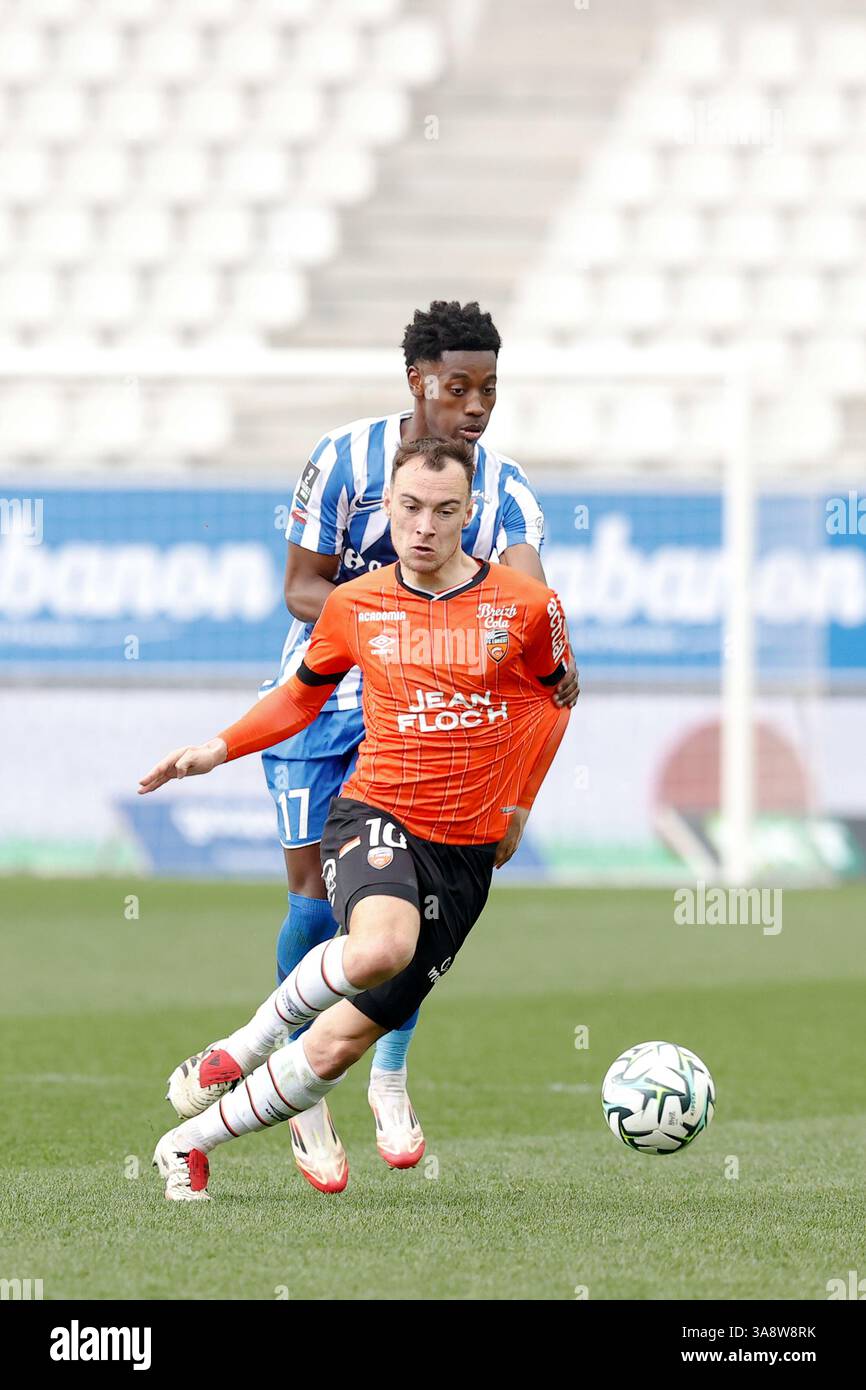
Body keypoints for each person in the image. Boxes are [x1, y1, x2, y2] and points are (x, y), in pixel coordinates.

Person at [141, 438, 573, 1201]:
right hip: (374, 812)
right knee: (382, 944)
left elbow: (554, 702)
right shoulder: (356, 603)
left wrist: (519, 803)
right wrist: (219, 746)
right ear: (388, 509)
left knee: (339, 1047)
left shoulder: (529, 608)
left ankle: (185, 1144)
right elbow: (301, 696)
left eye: (445, 511)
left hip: (465, 853)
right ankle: (248, 1040)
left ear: (469, 514)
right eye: (409, 507)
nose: (425, 526)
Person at [258, 300, 578, 1188]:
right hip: (322, 704)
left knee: (410, 906)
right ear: (417, 382)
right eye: (458, 386)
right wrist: (390, 619)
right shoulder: (342, 459)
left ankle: (388, 1078)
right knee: (317, 908)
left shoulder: (503, 488)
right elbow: (299, 587)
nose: (477, 405)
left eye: (490, 389)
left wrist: (542, 634)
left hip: (431, 715)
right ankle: (303, 1095)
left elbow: (526, 594)